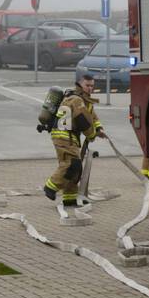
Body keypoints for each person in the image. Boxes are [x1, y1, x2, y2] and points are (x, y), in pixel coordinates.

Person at [44, 72, 106, 208]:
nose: (90, 88)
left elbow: (92, 117)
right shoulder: (77, 100)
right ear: (79, 84)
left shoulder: (84, 100)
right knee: (71, 165)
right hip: (64, 136)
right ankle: (50, 187)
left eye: (92, 86)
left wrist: (99, 129)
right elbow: (83, 121)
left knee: (76, 166)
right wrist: (91, 135)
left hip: (70, 137)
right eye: (87, 85)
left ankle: (70, 197)